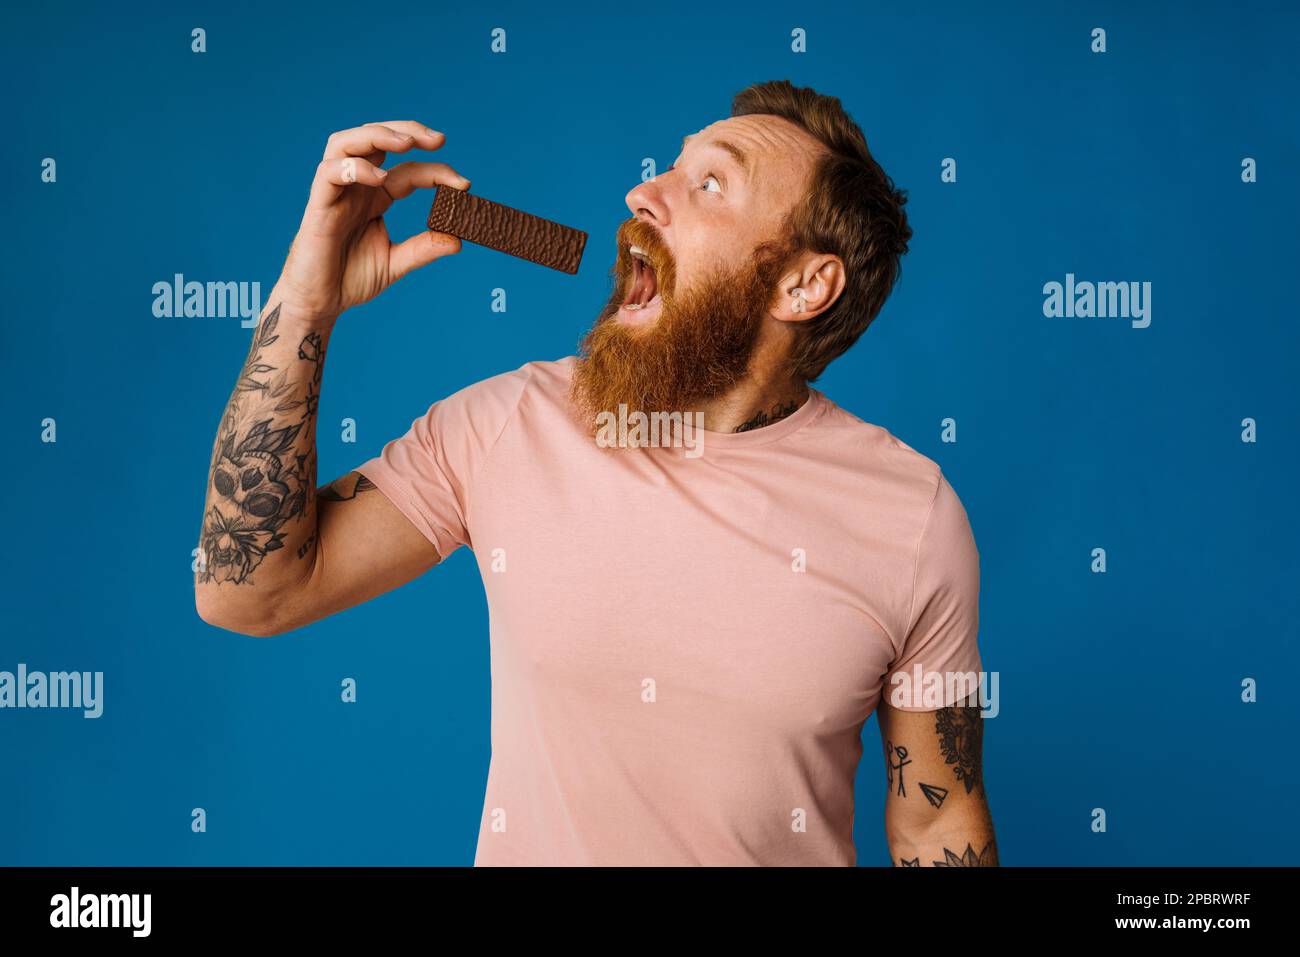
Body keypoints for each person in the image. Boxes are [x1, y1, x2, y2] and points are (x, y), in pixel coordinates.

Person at [194, 79, 997, 867]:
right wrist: (302, 306)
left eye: (710, 182)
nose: (644, 191)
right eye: (670, 168)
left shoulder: (911, 517)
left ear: (803, 283)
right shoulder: (510, 424)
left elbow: (936, 825)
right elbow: (249, 591)